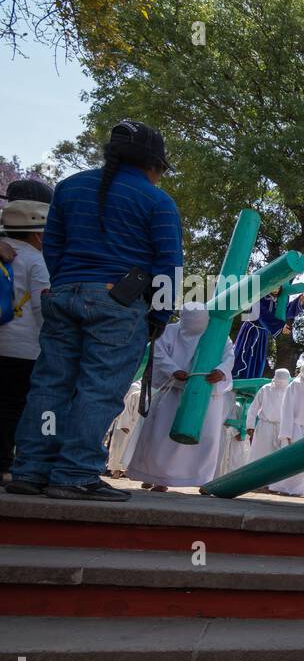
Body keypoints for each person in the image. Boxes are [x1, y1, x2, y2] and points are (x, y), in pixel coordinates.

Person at [6, 120, 181, 501]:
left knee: (50, 384)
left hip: (64, 294)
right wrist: (159, 317)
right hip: (118, 303)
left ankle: (32, 467)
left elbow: (52, 247)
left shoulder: (69, 188)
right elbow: (169, 268)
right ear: (153, 163)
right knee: (99, 389)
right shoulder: (157, 202)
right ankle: (74, 472)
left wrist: (69, 281)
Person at [127, 303, 233, 491]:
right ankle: (155, 476)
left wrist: (221, 371)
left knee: (205, 437)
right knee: (161, 436)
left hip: (205, 393)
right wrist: (174, 370)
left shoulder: (219, 335)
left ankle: (199, 478)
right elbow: (157, 352)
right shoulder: (169, 331)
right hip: (173, 391)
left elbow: (229, 356)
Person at [0, 193, 52, 478]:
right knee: (12, 407)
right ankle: (5, 465)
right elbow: (41, 307)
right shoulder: (34, 260)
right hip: (22, 347)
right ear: (37, 234)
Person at [269, 362, 304, 496]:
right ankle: (283, 487)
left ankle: (297, 489)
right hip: (295, 428)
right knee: (290, 458)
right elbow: (287, 409)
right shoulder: (294, 385)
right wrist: (287, 432)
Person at [245, 369, 292, 470]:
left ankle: (274, 484)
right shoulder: (265, 389)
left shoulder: (290, 391)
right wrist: (250, 425)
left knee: (278, 459)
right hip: (264, 427)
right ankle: (256, 481)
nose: (281, 383)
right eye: (279, 380)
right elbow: (253, 409)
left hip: (282, 429)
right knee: (260, 455)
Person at [105, 381, 142, 477]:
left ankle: (126, 470)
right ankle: (115, 470)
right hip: (124, 418)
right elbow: (125, 404)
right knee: (119, 446)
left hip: (136, 421)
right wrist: (124, 422)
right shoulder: (135, 387)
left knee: (129, 447)